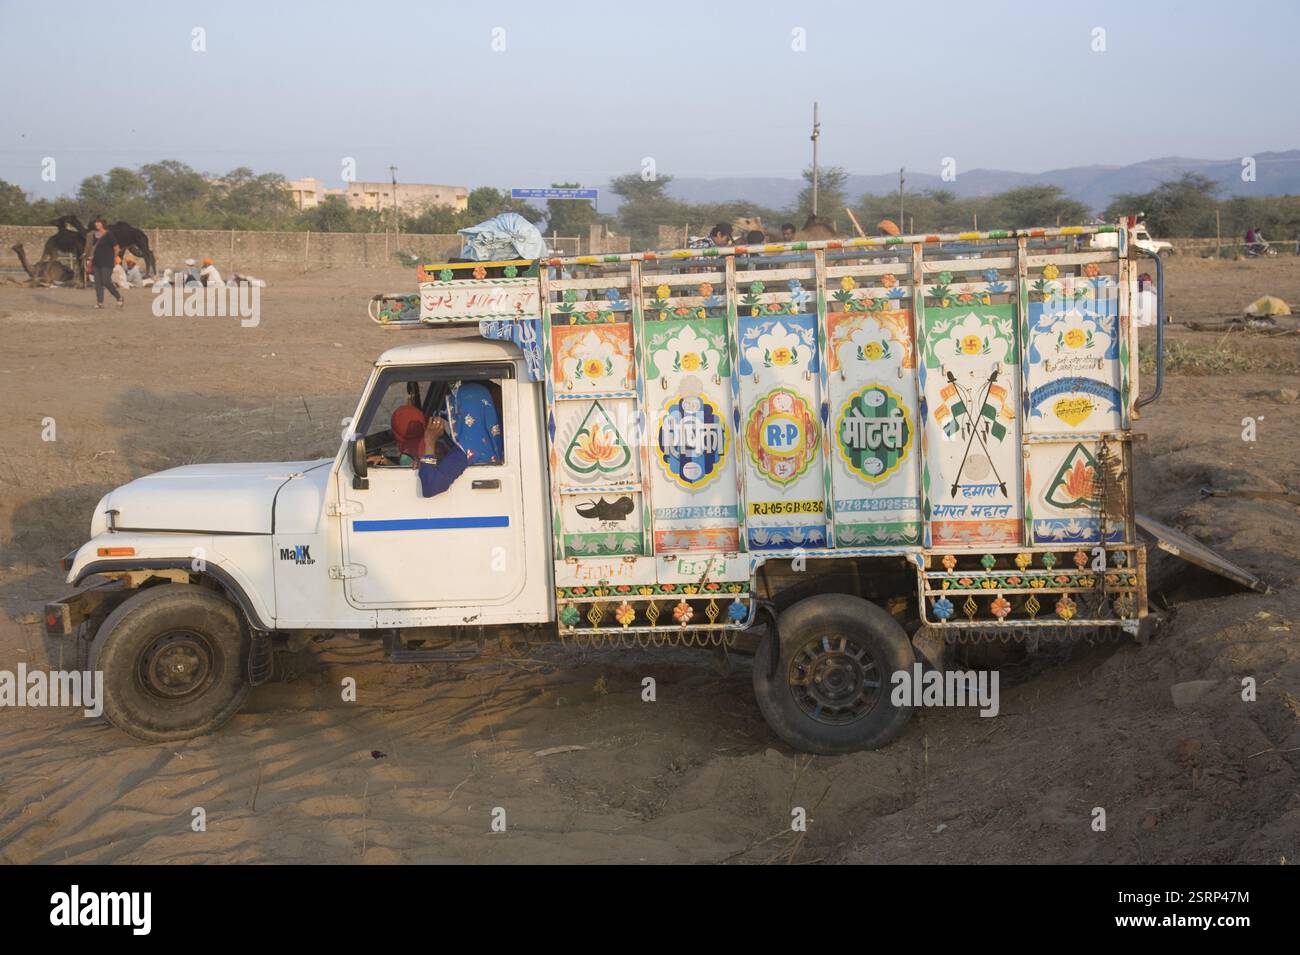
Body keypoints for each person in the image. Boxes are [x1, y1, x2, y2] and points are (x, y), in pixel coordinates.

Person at [417, 411, 468, 497]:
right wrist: (424, 462)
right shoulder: (480, 443)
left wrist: (430, 441)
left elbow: (430, 486)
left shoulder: (464, 450)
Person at [88, 218, 123, 309]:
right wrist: (90, 257)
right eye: (95, 222)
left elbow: (117, 248)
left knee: (106, 281)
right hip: (96, 261)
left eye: (98, 222)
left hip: (107, 262)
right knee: (98, 283)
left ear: (102, 224)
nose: (96, 224)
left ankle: (119, 297)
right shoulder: (95, 235)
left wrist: (114, 259)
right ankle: (100, 303)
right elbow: (94, 247)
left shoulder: (109, 234)